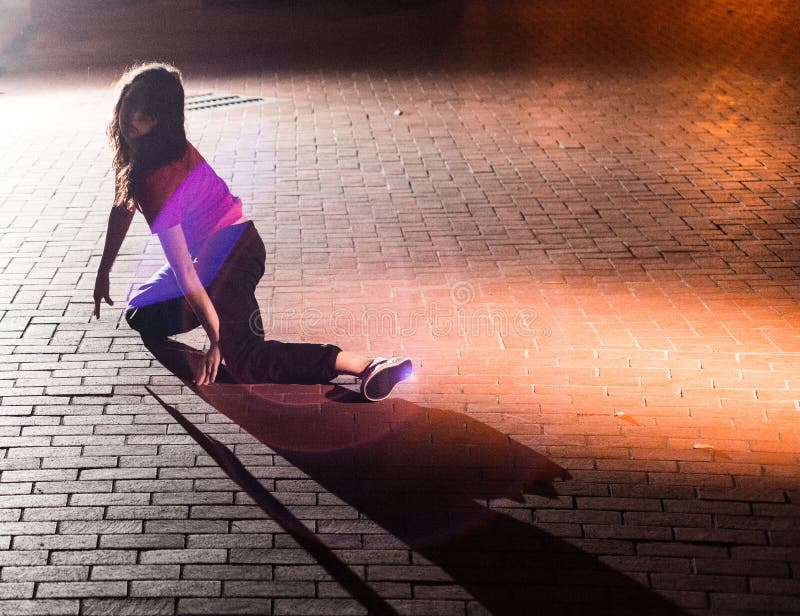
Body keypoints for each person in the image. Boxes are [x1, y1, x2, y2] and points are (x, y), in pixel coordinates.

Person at [93, 62, 412, 401]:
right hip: (209, 254)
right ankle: (216, 309)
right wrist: (104, 268)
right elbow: (122, 203)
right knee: (142, 310)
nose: (132, 119)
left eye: (145, 114)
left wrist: (217, 341)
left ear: (161, 121)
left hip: (232, 253)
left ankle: (367, 364)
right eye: (129, 105)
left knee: (246, 360)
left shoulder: (159, 178)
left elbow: (185, 273)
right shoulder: (141, 151)